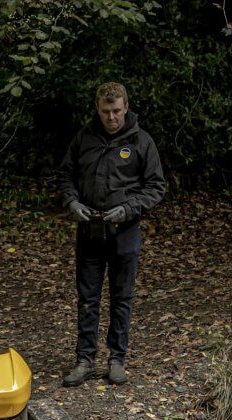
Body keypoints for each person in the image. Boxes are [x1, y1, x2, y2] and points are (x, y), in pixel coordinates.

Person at [56, 82, 165, 386]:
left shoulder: (141, 142)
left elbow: (156, 186)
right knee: (88, 298)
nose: (111, 117)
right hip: (89, 228)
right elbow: (65, 174)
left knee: (122, 297)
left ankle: (117, 359)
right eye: (106, 111)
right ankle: (85, 360)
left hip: (124, 231)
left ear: (126, 107)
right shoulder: (84, 138)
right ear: (98, 109)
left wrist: (130, 209)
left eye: (116, 111)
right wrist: (72, 201)